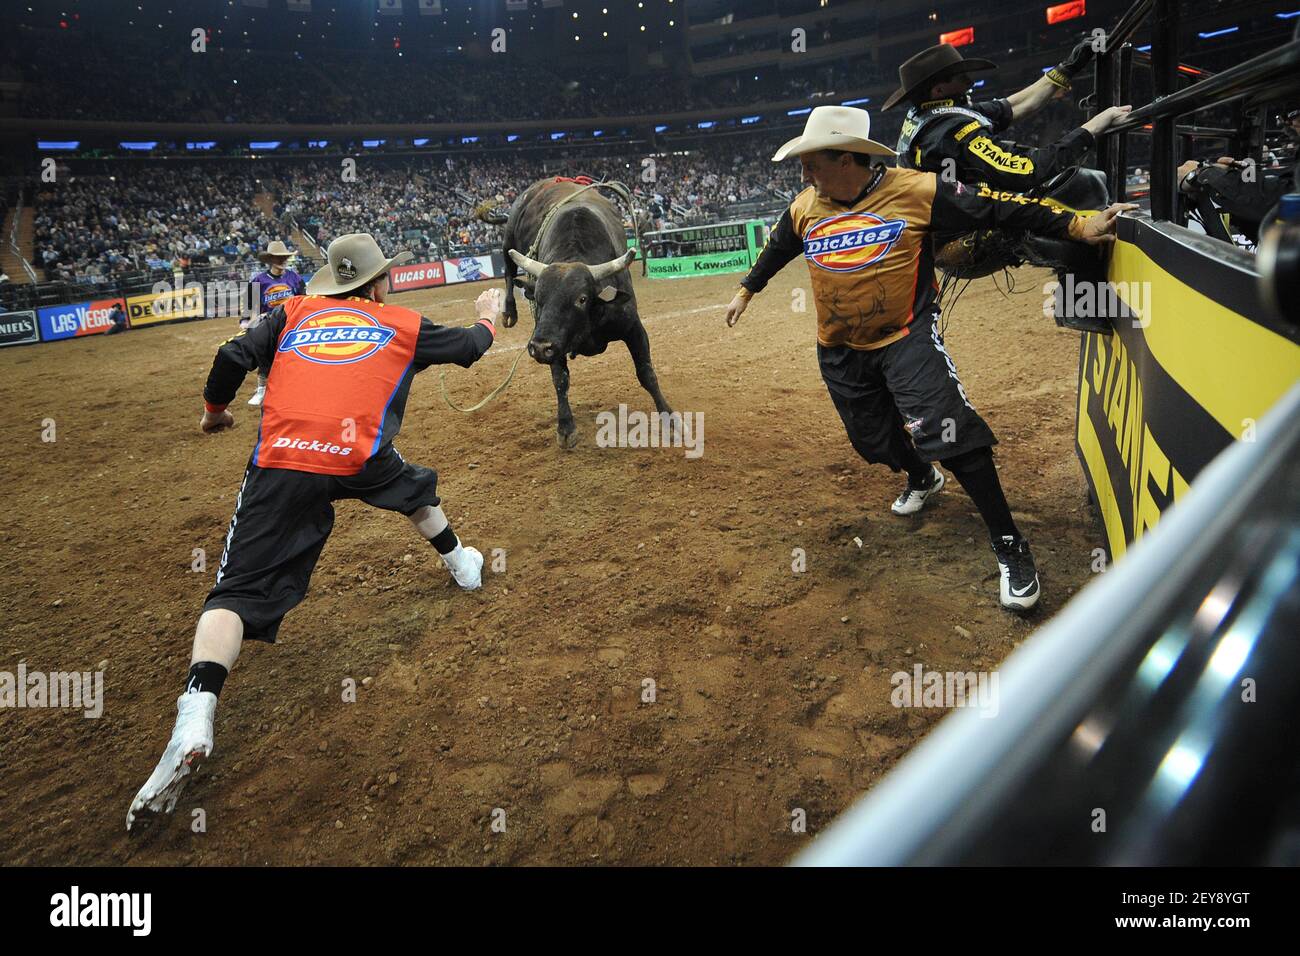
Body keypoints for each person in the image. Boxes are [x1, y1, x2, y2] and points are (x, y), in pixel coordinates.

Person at [127, 233, 500, 830]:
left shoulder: (294, 310)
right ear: (379, 283)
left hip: (284, 459)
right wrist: (487, 316)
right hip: (359, 451)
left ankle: (196, 712)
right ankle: (463, 564)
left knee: (232, 593)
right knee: (409, 487)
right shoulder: (401, 323)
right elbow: (471, 347)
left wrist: (214, 412)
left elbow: (230, 358)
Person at [722, 106, 1132, 613]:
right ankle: (921, 475)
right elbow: (780, 245)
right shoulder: (807, 205)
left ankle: (1009, 545)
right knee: (873, 443)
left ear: (849, 159)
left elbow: (1003, 205)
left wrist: (1074, 226)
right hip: (840, 350)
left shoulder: (918, 190)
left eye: (813, 163)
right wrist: (748, 288)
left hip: (905, 337)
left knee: (948, 429)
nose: (804, 175)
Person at [884, 40, 1131, 192]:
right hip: (959, 230)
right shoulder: (951, 128)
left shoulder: (929, 113)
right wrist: (1093, 127)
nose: (970, 82)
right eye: (962, 78)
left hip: (940, 219)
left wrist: (1068, 67)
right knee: (1081, 187)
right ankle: (1086, 273)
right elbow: (1027, 171)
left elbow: (1012, 106)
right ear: (938, 89)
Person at [244, 239, 307, 407]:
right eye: (279, 257)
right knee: (265, 356)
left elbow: (304, 300)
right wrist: (248, 321)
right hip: (268, 325)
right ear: (271, 259)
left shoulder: (295, 278)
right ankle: (262, 388)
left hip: (292, 323)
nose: (283, 261)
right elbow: (251, 305)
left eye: (284, 257)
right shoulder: (259, 281)